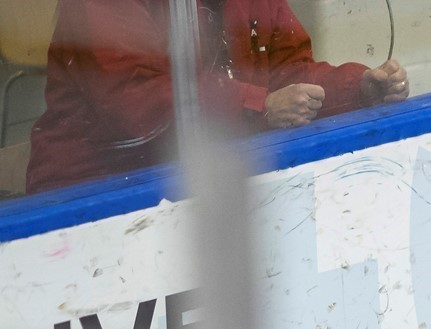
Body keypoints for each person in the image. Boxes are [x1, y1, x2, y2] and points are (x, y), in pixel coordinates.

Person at [26, 0, 409, 194]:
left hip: (203, 184)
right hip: (91, 202)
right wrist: (259, 106)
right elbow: (135, 99)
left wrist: (357, 88)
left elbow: (288, 71)